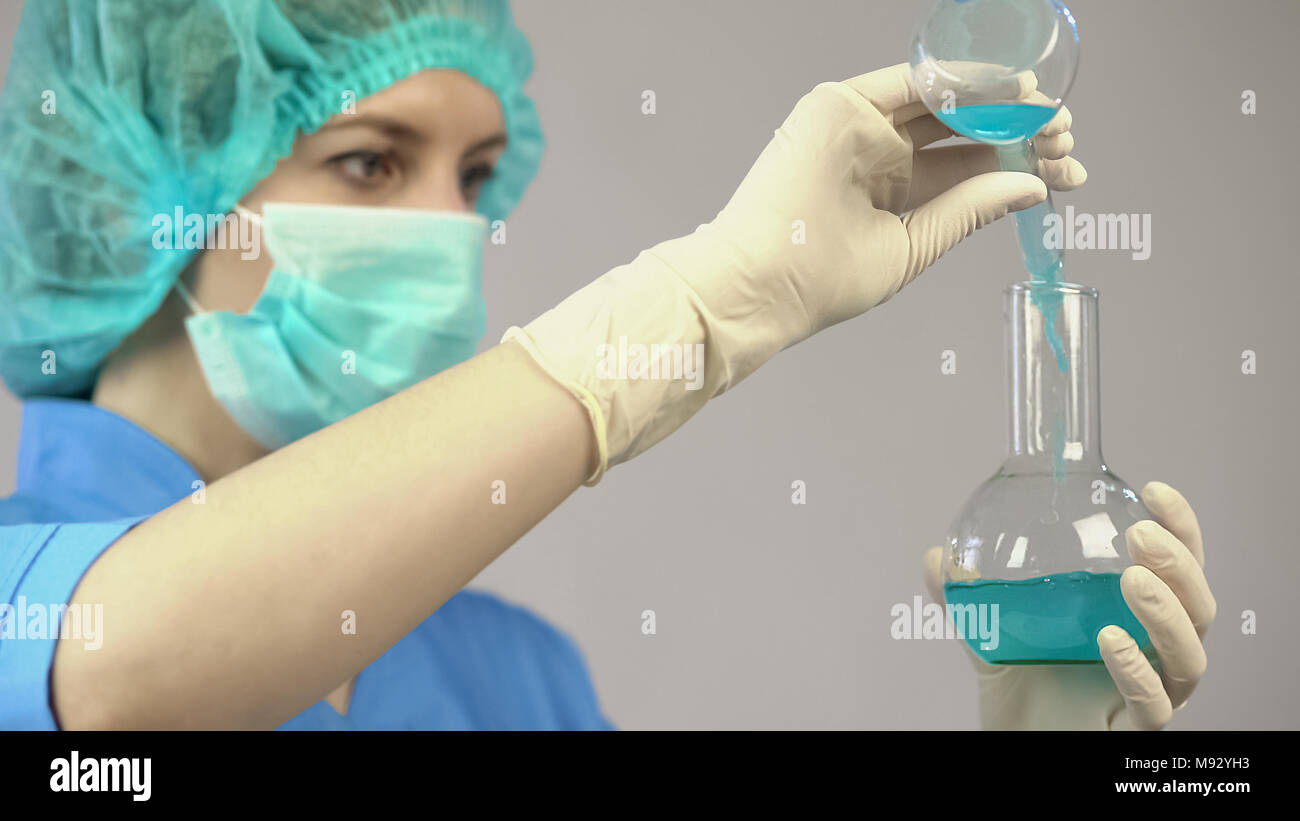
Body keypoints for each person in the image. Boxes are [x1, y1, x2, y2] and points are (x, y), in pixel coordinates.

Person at [0, 0, 1213, 730]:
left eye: (473, 177)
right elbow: (117, 675)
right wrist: (703, 300)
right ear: (139, 190)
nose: (447, 228)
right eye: (371, 161)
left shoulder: (510, 673)